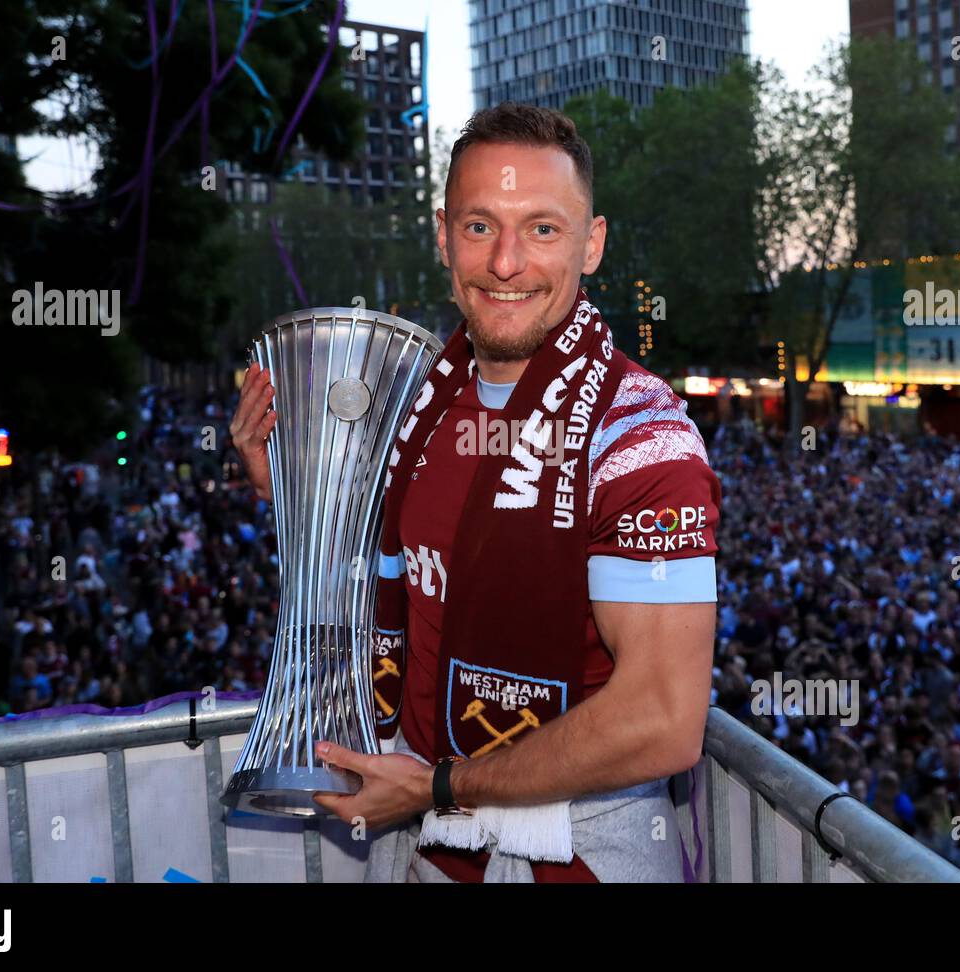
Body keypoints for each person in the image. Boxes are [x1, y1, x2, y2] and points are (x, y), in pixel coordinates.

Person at [228, 102, 719, 882]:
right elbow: (414, 582)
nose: (506, 263)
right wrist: (292, 502)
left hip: (573, 856)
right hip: (427, 849)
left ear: (591, 245)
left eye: (543, 229)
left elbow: (662, 720)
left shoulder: (640, 439)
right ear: (442, 235)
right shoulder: (417, 406)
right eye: (481, 226)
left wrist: (440, 785)